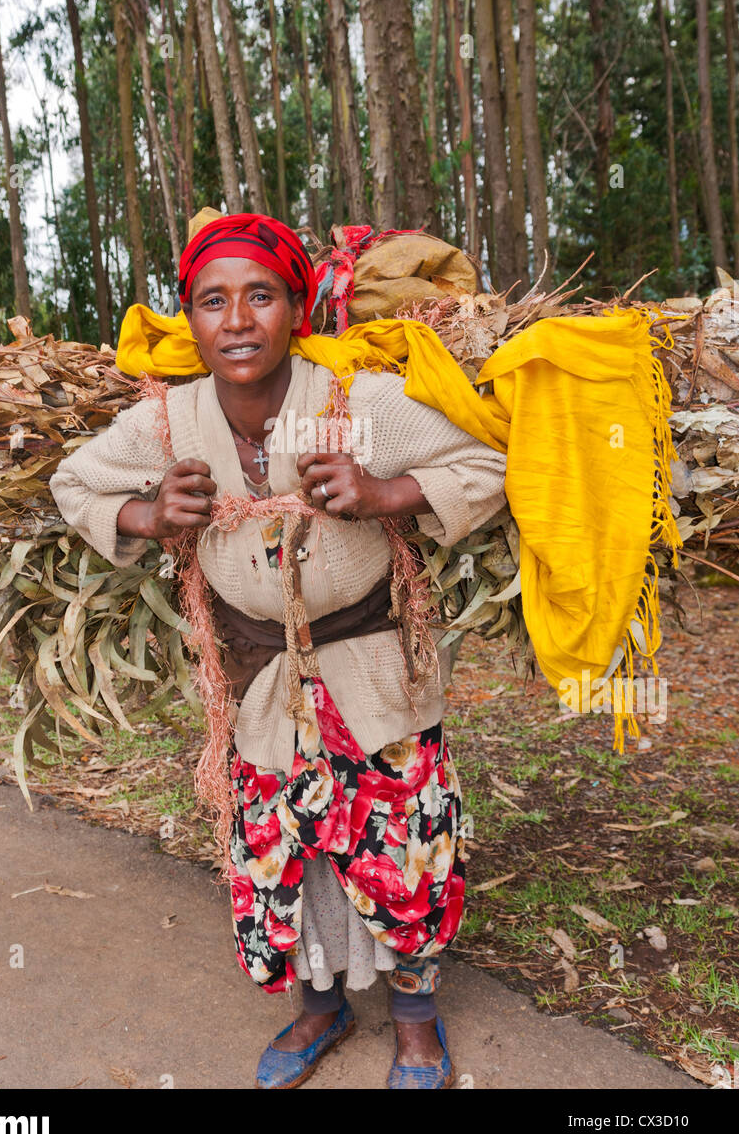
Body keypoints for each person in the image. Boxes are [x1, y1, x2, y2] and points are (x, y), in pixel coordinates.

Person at [49, 213, 507, 1089]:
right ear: (188, 320)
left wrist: (384, 492)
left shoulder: (352, 403)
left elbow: (486, 462)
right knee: (280, 848)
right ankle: (318, 1008)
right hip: (258, 680)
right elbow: (75, 481)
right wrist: (148, 514)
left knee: (402, 841)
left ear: (297, 308)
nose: (237, 320)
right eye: (211, 301)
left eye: (260, 295)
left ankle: (415, 1025)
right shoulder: (169, 424)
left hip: (371, 672)